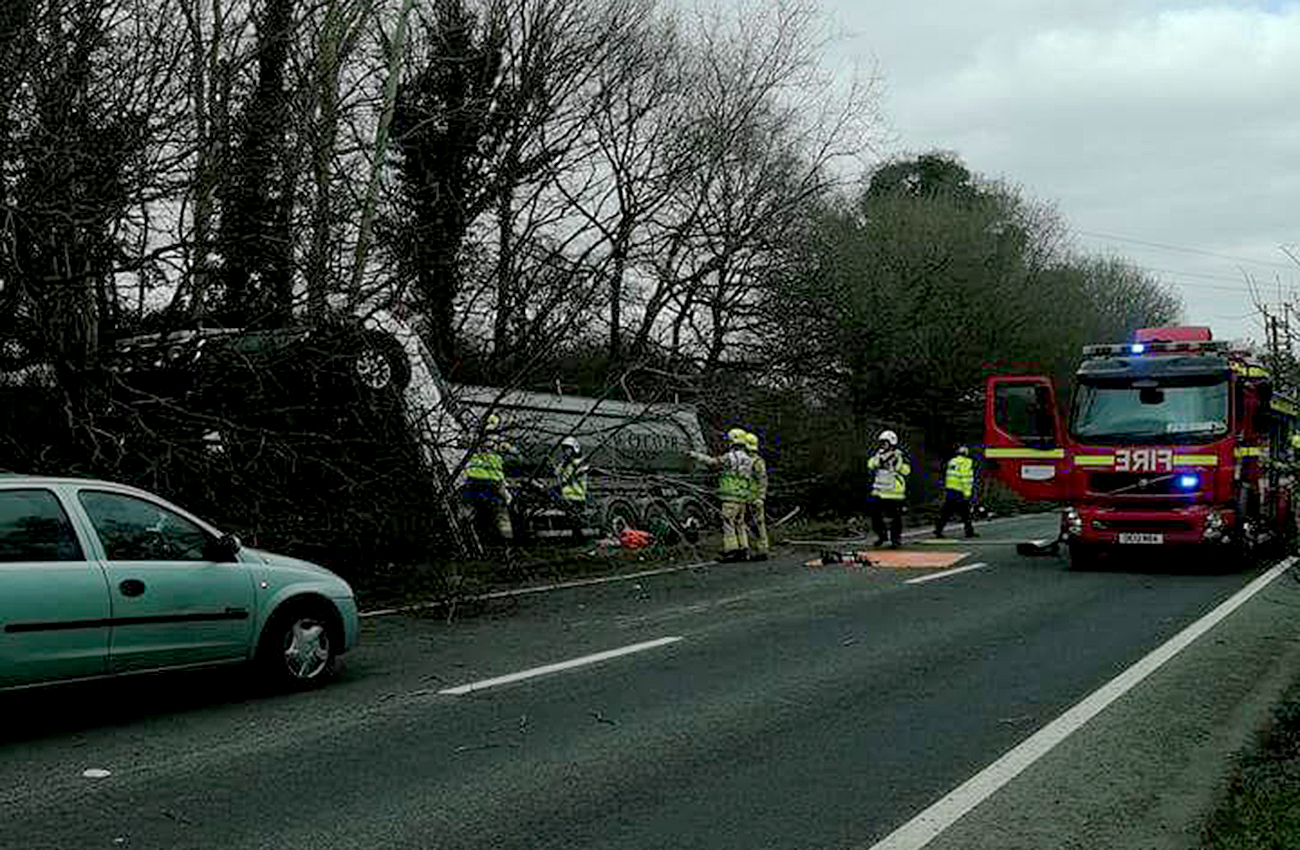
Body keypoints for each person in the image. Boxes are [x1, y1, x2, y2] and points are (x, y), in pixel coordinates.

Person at [689, 428, 755, 562]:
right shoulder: (748, 459)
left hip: (730, 496)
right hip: (742, 496)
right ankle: (744, 549)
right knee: (740, 524)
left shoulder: (731, 457)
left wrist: (696, 455)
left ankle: (731, 551)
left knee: (728, 524)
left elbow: (713, 462)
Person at [461, 413, 515, 543]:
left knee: (469, 508)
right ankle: (507, 541)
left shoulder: (475, 437)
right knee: (500, 511)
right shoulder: (499, 441)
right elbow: (514, 452)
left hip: (474, 478)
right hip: (494, 481)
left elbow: (461, 442)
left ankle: (464, 534)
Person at [867, 429, 910, 548]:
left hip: (894, 492)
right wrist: (877, 462)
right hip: (879, 491)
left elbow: (907, 471)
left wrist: (897, 465)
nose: (882, 445)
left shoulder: (900, 455)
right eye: (881, 442)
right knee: (875, 515)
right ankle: (881, 536)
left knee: (895, 518)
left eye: (885, 442)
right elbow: (870, 464)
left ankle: (896, 539)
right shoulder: (878, 454)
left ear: (892, 443)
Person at [935, 445, 977, 539]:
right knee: (965, 513)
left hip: (951, 489)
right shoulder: (966, 462)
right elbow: (966, 478)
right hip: (960, 491)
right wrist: (967, 493)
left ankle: (938, 529)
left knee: (947, 512)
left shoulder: (952, 461)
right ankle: (969, 531)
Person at [553, 436, 590, 542]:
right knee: (570, 520)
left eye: (568, 449)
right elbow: (556, 473)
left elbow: (579, 473)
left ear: (575, 449)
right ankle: (576, 539)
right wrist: (561, 465)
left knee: (575, 521)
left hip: (576, 496)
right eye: (565, 450)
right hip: (567, 495)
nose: (566, 452)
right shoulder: (565, 463)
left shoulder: (579, 463)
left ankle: (580, 540)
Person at [744, 431, 770, 561]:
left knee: (757, 526)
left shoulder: (757, 462)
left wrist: (760, 497)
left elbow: (762, 480)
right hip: (747, 497)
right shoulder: (748, 460)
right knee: (750, 526)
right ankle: (755, 550)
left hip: (754, 498)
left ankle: (761, 550)